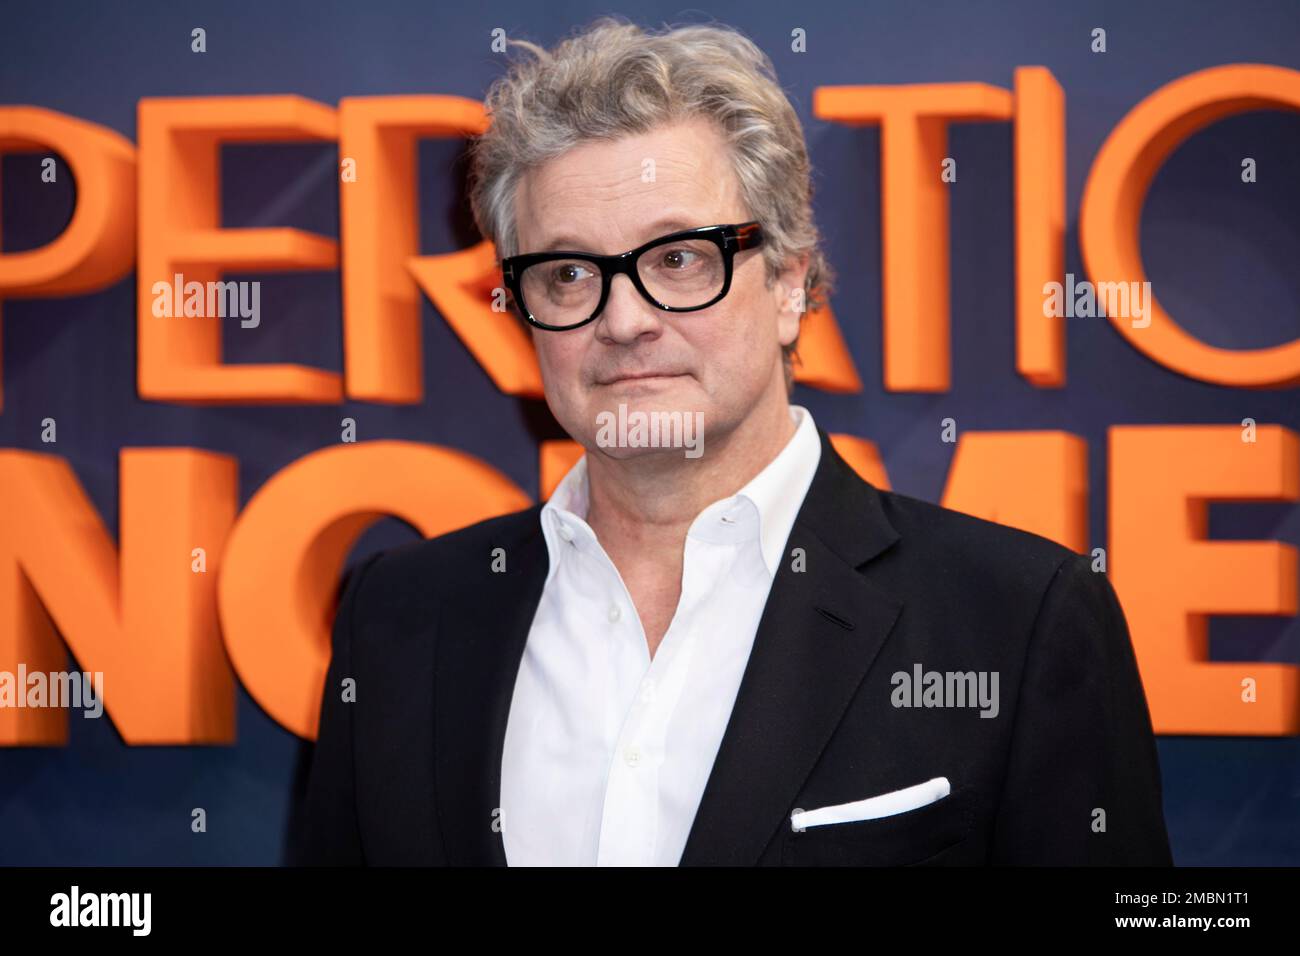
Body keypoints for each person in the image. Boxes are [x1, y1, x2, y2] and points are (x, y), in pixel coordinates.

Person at [292, 16, 1172, 866]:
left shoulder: (1017, 621)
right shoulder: (399, 620)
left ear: (789, 282)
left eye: (678, 258)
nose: (625, 319)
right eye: (567, 273)